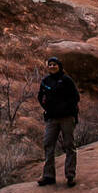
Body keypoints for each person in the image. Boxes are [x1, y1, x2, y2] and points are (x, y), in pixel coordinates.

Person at [36, 55, 79, 186]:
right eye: (50, 64)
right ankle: (48, 176)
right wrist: (47, 108)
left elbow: (75, 97)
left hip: (66, 117)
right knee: (48, 144)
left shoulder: (66, 80)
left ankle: (70, 175)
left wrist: (67, 110)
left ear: (59, 66)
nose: (52, 66)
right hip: (52, 118)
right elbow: (40, 96)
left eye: (54, 64)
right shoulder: (45, 81)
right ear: (47, 67)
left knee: (69, 145)